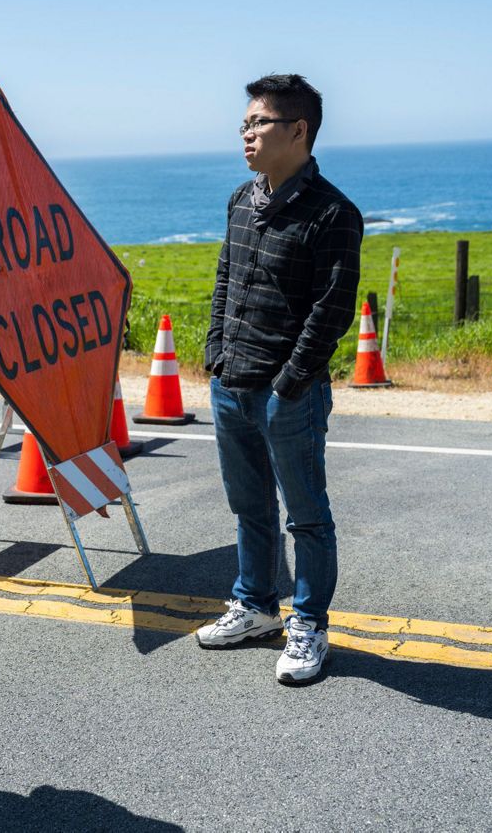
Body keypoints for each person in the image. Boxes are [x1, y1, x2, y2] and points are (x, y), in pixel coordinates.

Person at [195, 74, 363, 685]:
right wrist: (216, 354)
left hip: (287, 392)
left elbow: (331, 310)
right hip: (231, 381)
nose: (246, 134)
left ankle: (309, 623)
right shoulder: (241, 199)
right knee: (249, 507)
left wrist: (290, 382)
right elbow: (225, 278)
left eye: (258, 123)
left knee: (306, 516)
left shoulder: (334, 213)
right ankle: (256, 606)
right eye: (244, 124)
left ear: (298, 130)